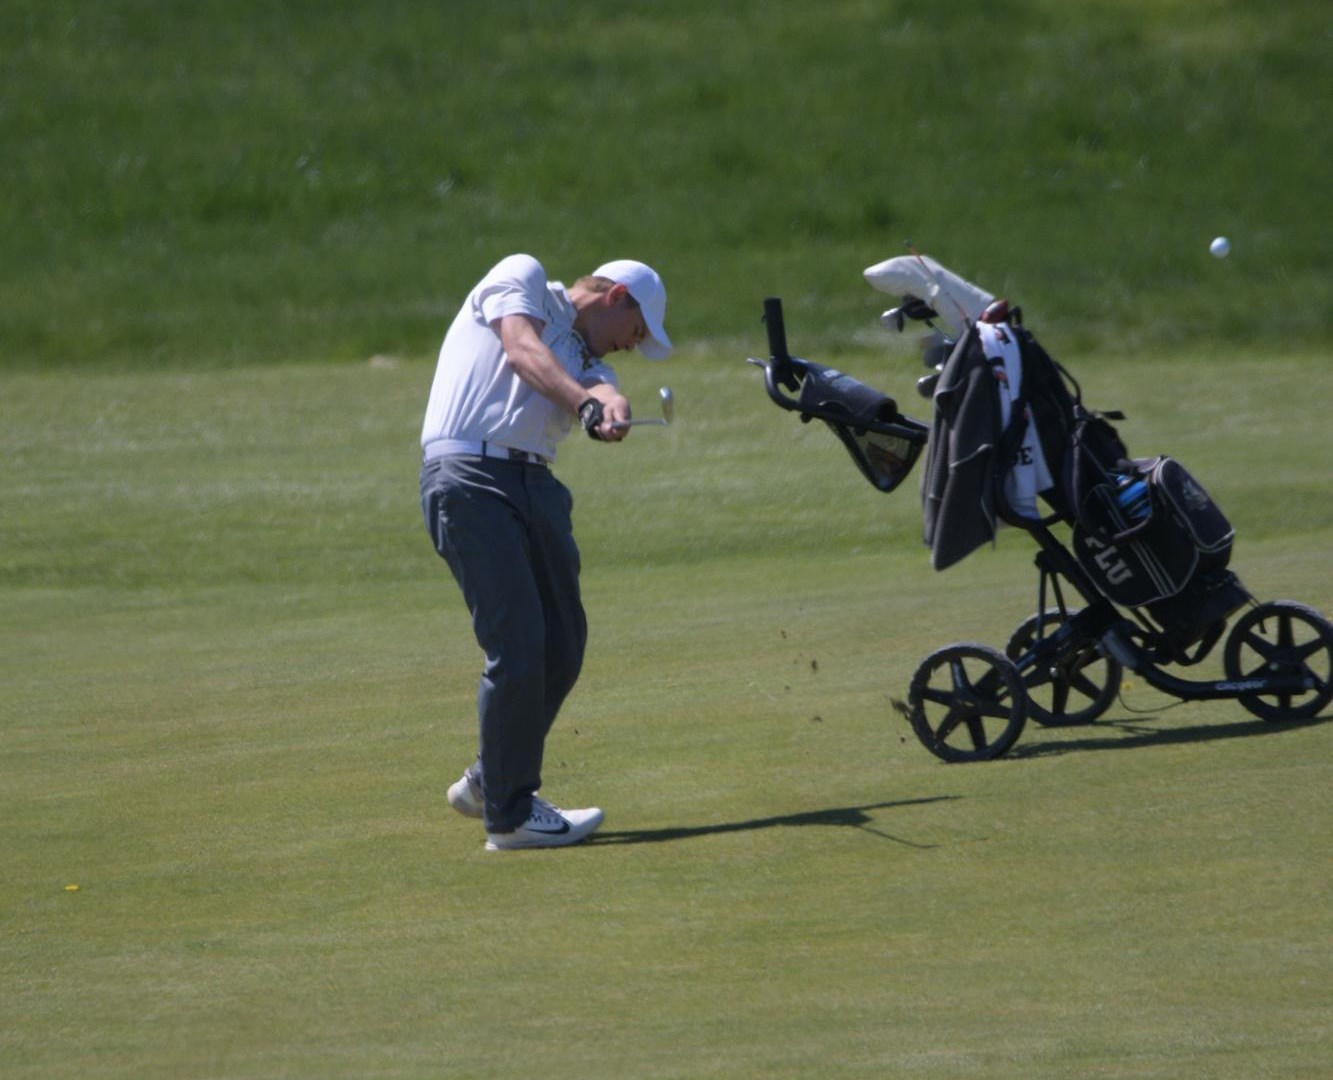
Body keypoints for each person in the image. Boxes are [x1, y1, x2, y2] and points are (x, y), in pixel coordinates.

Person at [419, 254, 671, 851]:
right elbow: (521, 349)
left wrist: (611, 402)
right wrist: (585, 404)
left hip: (535, 483)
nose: (631, 345)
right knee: (518, 642)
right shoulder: (523, 277)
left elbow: (598, 384)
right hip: (470, 475)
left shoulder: (587, 357)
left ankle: (490, 779)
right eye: (636, 331)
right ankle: (509, 817)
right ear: (617, 296)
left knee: (562, 641)